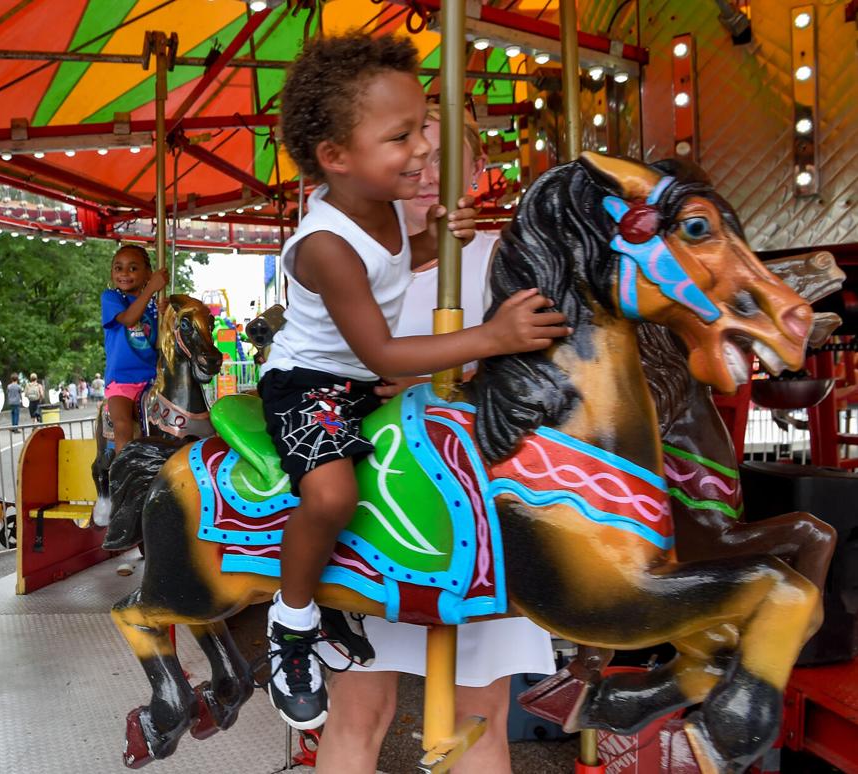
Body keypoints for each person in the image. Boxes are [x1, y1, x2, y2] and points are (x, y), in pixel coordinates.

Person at [259, 33, 571, 731]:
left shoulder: (377, 207)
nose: (426, 150)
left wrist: (437, 239)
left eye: (426, 129)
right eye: (404, 137)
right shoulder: (326, 244)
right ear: (337, 158)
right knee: (332, 491)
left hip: (361, 382)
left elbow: (399, 263)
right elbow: (385, 351)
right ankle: (293, 619)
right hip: (312, 386)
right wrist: (492, 338)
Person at [314, 106, 556, 774]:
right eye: (413, 162)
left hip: (482, 520)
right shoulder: (353, 262)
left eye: (448, 165)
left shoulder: (511, 262)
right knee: (357, 708)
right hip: (378, 509)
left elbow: (550, 379)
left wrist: (451, 378)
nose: (428, 179)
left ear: (479, 174)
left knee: (481, 717)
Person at [101, 245, 167, 457]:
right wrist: (150, 289)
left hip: (152, 381)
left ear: (148, 273)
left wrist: (166, 315)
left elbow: (166, 342)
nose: (124, 273)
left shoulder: (153, 307)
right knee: (123, 427)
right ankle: (124, 478)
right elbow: (129, 318)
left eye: (133, 268)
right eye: (118, 268)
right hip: (121, 381)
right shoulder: (112, 298)